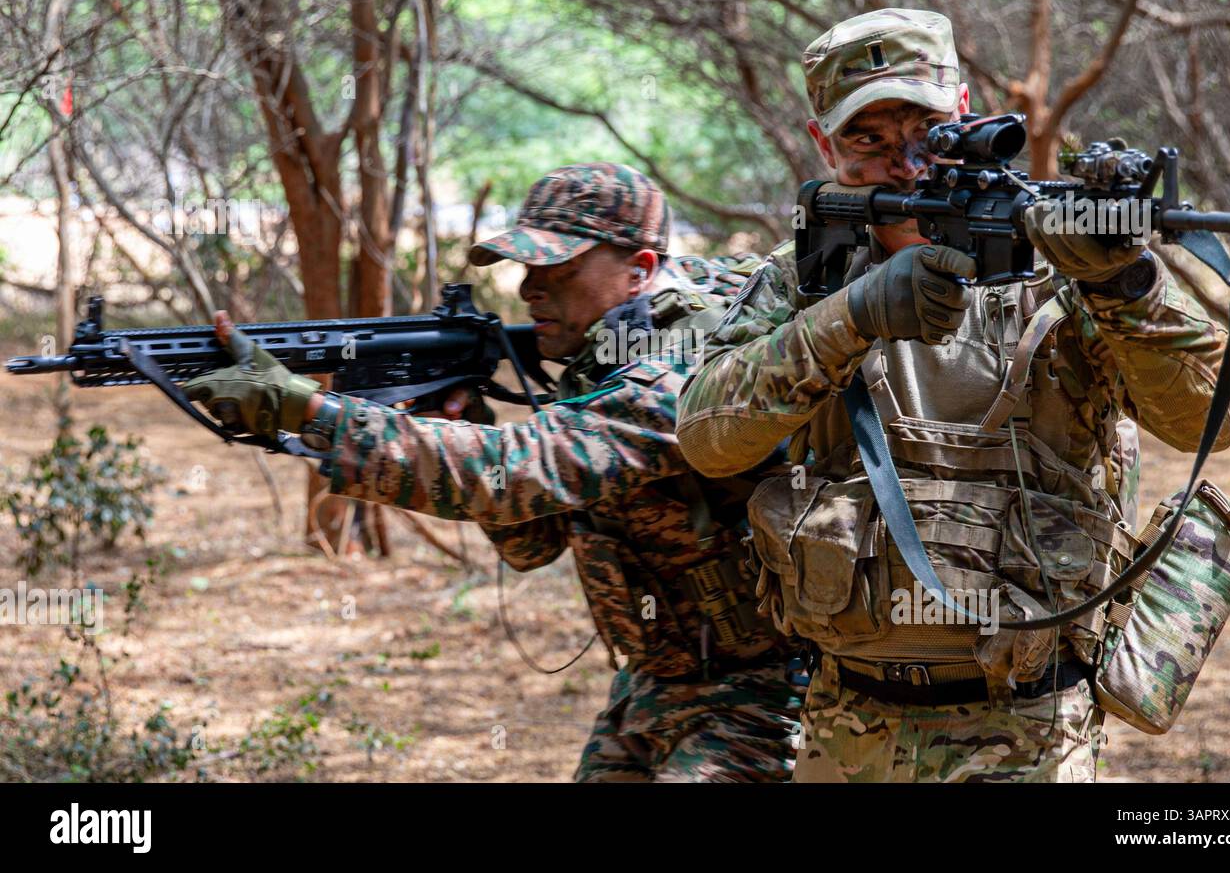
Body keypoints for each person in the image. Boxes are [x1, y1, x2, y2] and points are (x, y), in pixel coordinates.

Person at [675, 9, 1230, 782]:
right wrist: (852, 316)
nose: (905, 165)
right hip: (849, 725)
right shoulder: (807, 275)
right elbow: (709, 438)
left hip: (1029, 725)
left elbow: (1208, 419)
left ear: (969, 115)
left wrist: (1126, 287)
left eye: (926, 133)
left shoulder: (1067, 257)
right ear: (824, 146)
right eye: (866, 141)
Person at [182, 162, 801, 782]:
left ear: (639, 270)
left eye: (559, 269)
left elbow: (521, 468)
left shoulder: (690, 364)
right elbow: (534, 543)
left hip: (762, 695)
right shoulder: (607, 351)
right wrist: (462, 420)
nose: (531, 288)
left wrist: (308, 412)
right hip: (654, 681)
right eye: (528, 267)